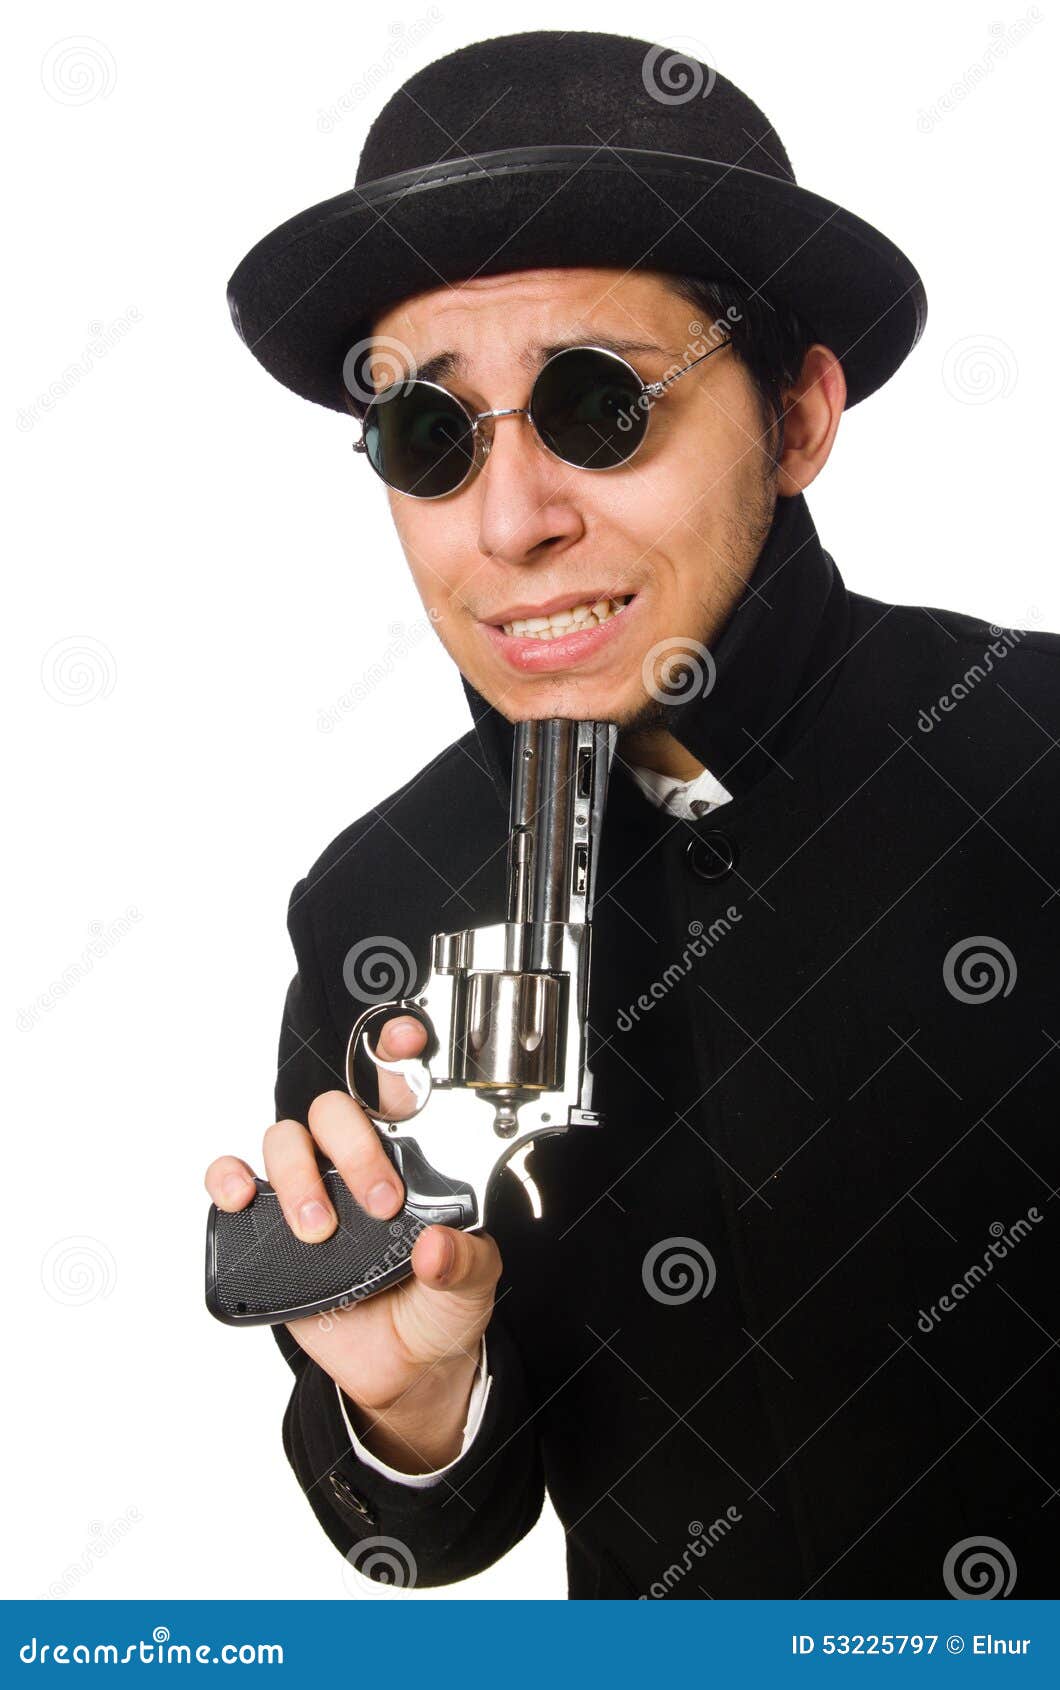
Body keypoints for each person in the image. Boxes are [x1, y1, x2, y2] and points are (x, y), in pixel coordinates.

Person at [204, 30, 1059, 1598]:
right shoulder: (374, 902)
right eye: (430, 435)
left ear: (799, 418)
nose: (513, 523)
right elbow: (432, 1531)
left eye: (600, 408)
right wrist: (412, 1403)